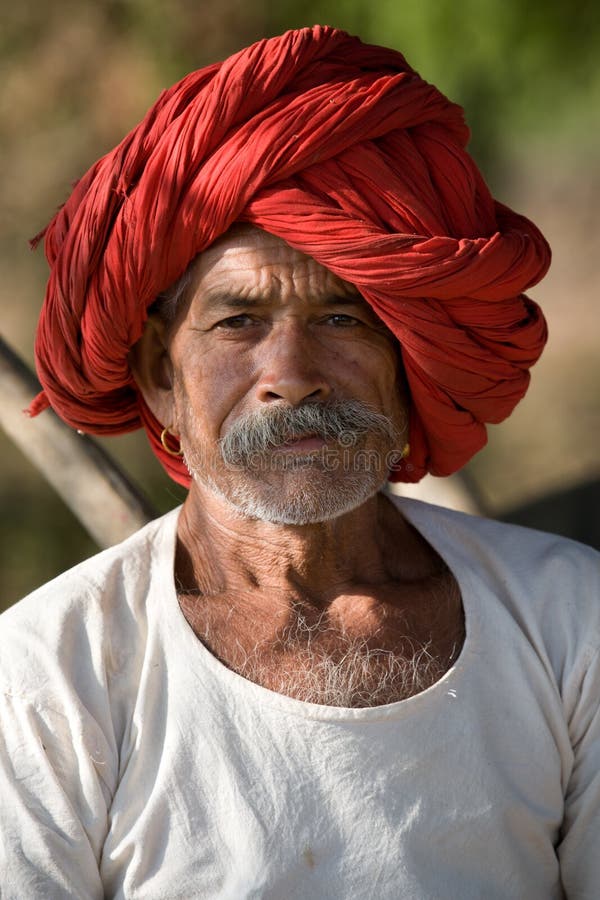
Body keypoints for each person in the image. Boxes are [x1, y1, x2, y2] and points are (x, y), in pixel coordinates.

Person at [1, 25, 598, 899]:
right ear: (160, 377)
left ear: (409, 367)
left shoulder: (570, 618)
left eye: (342, 319)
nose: (291, 377)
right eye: (237, 323)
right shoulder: (50, 674)